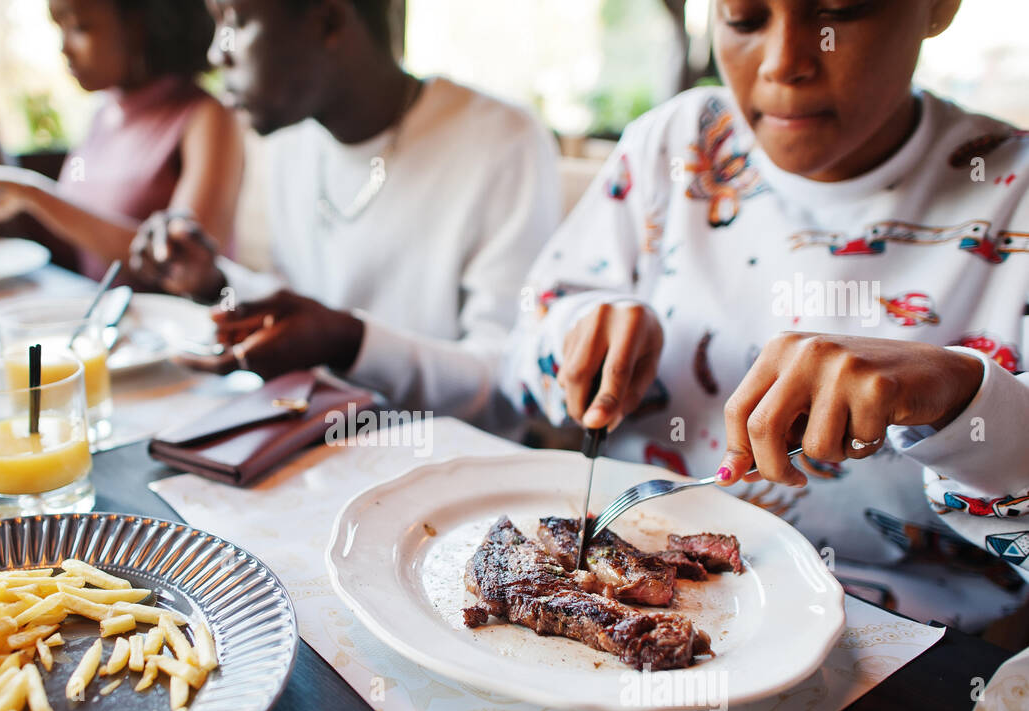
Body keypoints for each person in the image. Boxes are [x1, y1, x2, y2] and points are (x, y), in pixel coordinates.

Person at [509, 0, 1029, 630]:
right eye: (745, 18)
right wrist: (576, 328)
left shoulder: (1014, 199)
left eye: (840, 11)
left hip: (921, 657)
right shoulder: (677, 147)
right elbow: (523, 352)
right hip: (650, 599)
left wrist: (966, 399)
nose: (785, 63)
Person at [131, 0, 560, 434]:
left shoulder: (503, 142)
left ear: (328, 22)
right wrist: (215, 283)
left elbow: (509, 388)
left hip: (453, 466)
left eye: (236, 22)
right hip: (319, 441)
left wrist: (349, 342)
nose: (216, 53)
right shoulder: (291, 141)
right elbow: (304, 310)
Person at [0, 0, 242, 284]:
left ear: (139, 26)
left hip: (174, 330)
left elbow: (186, 262)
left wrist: (31, 192)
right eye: (59, 28)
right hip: (102, 323)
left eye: (79, 28)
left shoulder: (207, 116)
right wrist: (1, 208)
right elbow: (83, 247)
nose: (64, 48)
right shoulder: (104, 114)